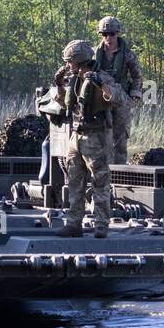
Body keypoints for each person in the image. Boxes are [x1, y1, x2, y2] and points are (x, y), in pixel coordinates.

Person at [55, 39, 125, 238]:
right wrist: (59, 85)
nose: (67, 65)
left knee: (100, 182)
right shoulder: (74, 80)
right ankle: (73, 223)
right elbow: (63, 102)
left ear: (79, 61)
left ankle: (101, 224)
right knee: (74, 182)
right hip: (76, 136)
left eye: (70, 61)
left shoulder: (101, 78)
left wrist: (102, 85)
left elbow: (117, 98)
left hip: (97, 137)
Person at [91, 15, 143, 164]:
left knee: (120, 139)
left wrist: (134, 96)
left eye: (112, 34)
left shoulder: (128, 54)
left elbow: (137, 77)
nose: (108, 37)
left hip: (121, 100)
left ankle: (120, 173)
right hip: (100, 100)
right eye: (105, 34)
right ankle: (101, 175)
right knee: (101, 138)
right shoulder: (94, 54)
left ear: (117, 33)